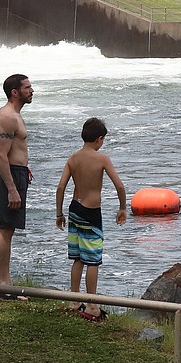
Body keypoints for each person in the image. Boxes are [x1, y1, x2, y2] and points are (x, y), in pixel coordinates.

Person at [55, 117, 127, 321]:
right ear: (100, 139)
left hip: (75, 209)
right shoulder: (102, 158)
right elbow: (119, 186)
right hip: (91, 212)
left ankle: (74, 300)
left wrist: (59, 213)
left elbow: (61, 187)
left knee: (78, 257)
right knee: (93, 260)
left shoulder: (73, 158)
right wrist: (122, 207)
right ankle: (92, 304)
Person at [0, 73, 33, 294]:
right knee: (5, 229)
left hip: (16, 174)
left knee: (7, 229)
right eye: (27, 87)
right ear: (15, 92)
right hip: (10, 176)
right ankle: (3, 284)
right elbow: (1, 155)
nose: (31, 90)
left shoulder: (13, 115)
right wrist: (12, 189)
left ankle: (5, 281)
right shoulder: (8, 117)